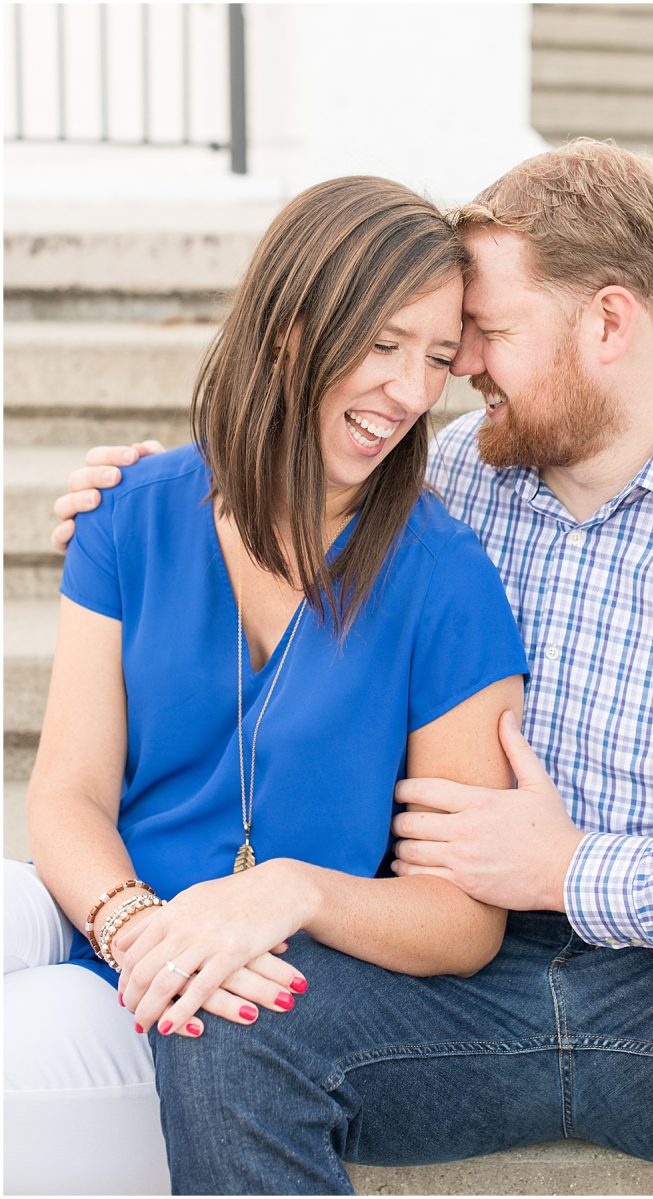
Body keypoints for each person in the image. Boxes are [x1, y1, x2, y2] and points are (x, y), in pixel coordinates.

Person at [46, 141, 653, 1195]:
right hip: (456, 992)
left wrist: (572, 869)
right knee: (226, 1017)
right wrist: (132, 493)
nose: (457, 374)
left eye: (482, 335)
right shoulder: (456, 477)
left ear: (609, 323)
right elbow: (293, 452)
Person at [4, 176, 530, 1197]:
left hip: (233, 1000)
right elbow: (66, 790)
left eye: (433, 358)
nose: (410, 392)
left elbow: (462, 919)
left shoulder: (445, 574)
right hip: (103, 916)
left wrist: (282, 896)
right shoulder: (131, 513)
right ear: (290, 326)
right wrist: (130, 923)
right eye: (382, 344)